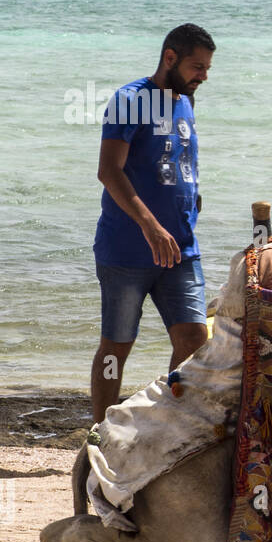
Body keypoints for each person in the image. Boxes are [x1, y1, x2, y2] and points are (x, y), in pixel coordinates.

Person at [90, 23, 215, 423]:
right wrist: (150, 225)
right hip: (126, 249)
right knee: (116, 347)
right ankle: (99, 433)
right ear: (170, 57)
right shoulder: (131, 99)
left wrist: (191, 199)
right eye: (197, 66)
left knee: (194, 340)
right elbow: (110, 171)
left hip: (181, 247)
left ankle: (162, 425)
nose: (204, 76)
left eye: (208, 67)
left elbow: (174, 159)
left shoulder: (185, 101)